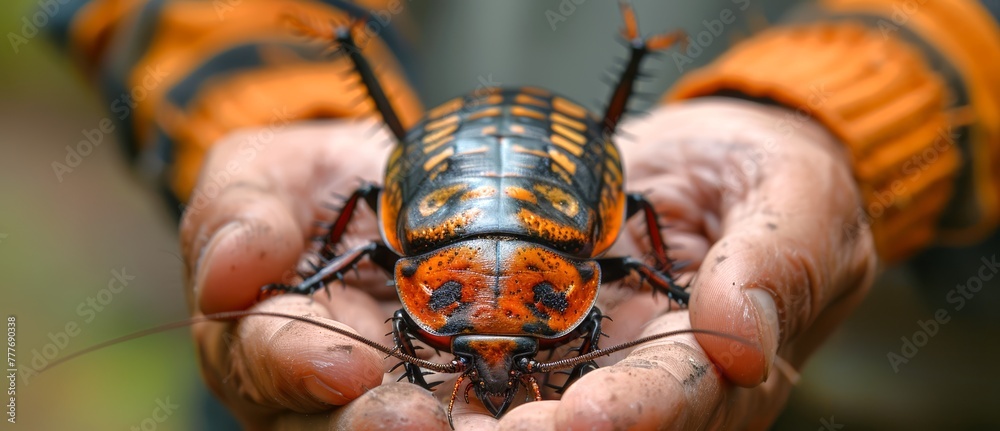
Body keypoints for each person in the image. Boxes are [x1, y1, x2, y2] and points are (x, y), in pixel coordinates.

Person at [47, 0, 1000, 429]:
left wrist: (874, 114)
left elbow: (358, 206)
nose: (497, 356)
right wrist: (265, 93)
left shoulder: (414, 260)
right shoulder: (585, 260)